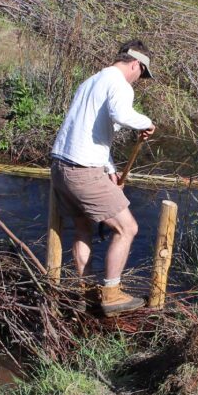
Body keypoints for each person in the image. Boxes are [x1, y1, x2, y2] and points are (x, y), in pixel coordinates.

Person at [50, 39, 156, 317]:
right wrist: (146, 122)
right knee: (127, 228)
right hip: (83, 171)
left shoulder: (90, 82)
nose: (139, 80)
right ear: (136, 64)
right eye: (142, 74)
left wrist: (109, 170)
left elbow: (92, 133)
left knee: (82, 227)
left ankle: (85, 291)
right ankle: (111, 293)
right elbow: (122, 114)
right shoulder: (120, 84)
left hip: (62, 167)